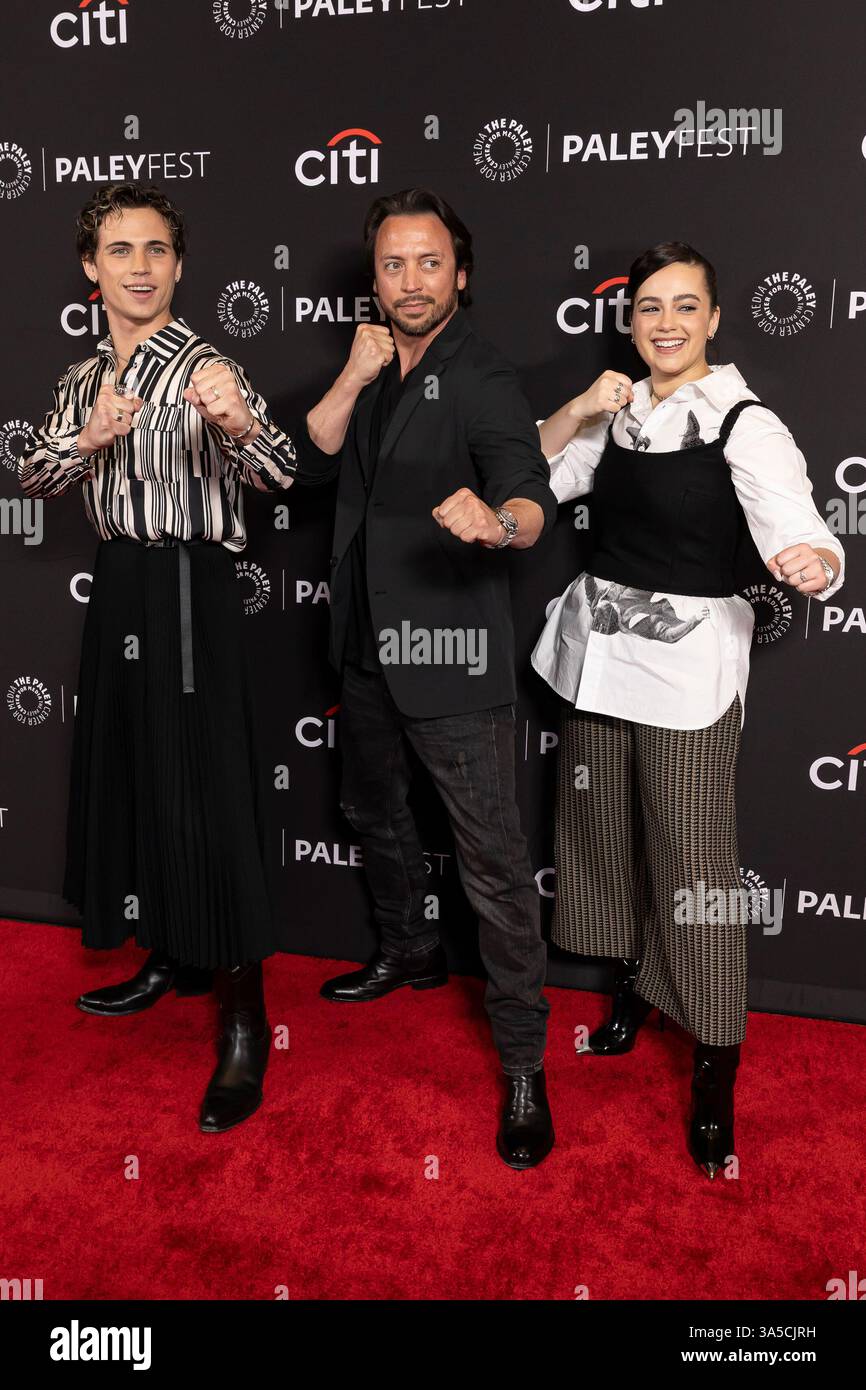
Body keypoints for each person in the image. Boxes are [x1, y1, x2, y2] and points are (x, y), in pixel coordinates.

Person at [532, 241, 844, 1178]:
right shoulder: (619, 408)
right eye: (648, 308)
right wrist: (581, 407)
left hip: (690, 677)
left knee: (694, 866)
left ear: (713, 319)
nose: (664, 323)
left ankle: (714, 1064)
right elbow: (536, 478)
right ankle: (632, 987)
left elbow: (801, 529)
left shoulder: (747, 422)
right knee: (604, 837)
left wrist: (814, 563)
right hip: (597, 657)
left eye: (684, 307)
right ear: (631, 322)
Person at [19, 182, 306, 1134]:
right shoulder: (78, 379)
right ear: (91, 269)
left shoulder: (213, 368)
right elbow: (34, 476)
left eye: (155, 249)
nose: (138, 265)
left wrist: (235, 424)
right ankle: (171, 951)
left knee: (210, 794)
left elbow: (281, 477)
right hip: (120, 587)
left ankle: (244, 1024)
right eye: (119, 250)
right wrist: (87, 436)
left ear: (179, 267)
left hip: (193, 589)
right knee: (141, 778)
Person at [294, 188, 558, 1169]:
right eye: (394, 265)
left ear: (461, 274)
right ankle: (406, 948)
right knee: (373, 814)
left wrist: (503, 523)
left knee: (491, 866)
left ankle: (525, 1066)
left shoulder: (481, 376)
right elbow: (311, 465)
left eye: (430, 263)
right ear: (375, 278)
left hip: (448, 659)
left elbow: (524, 486)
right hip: (362, 648)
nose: (411, 281)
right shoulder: (370, 366)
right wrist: (355, 374)